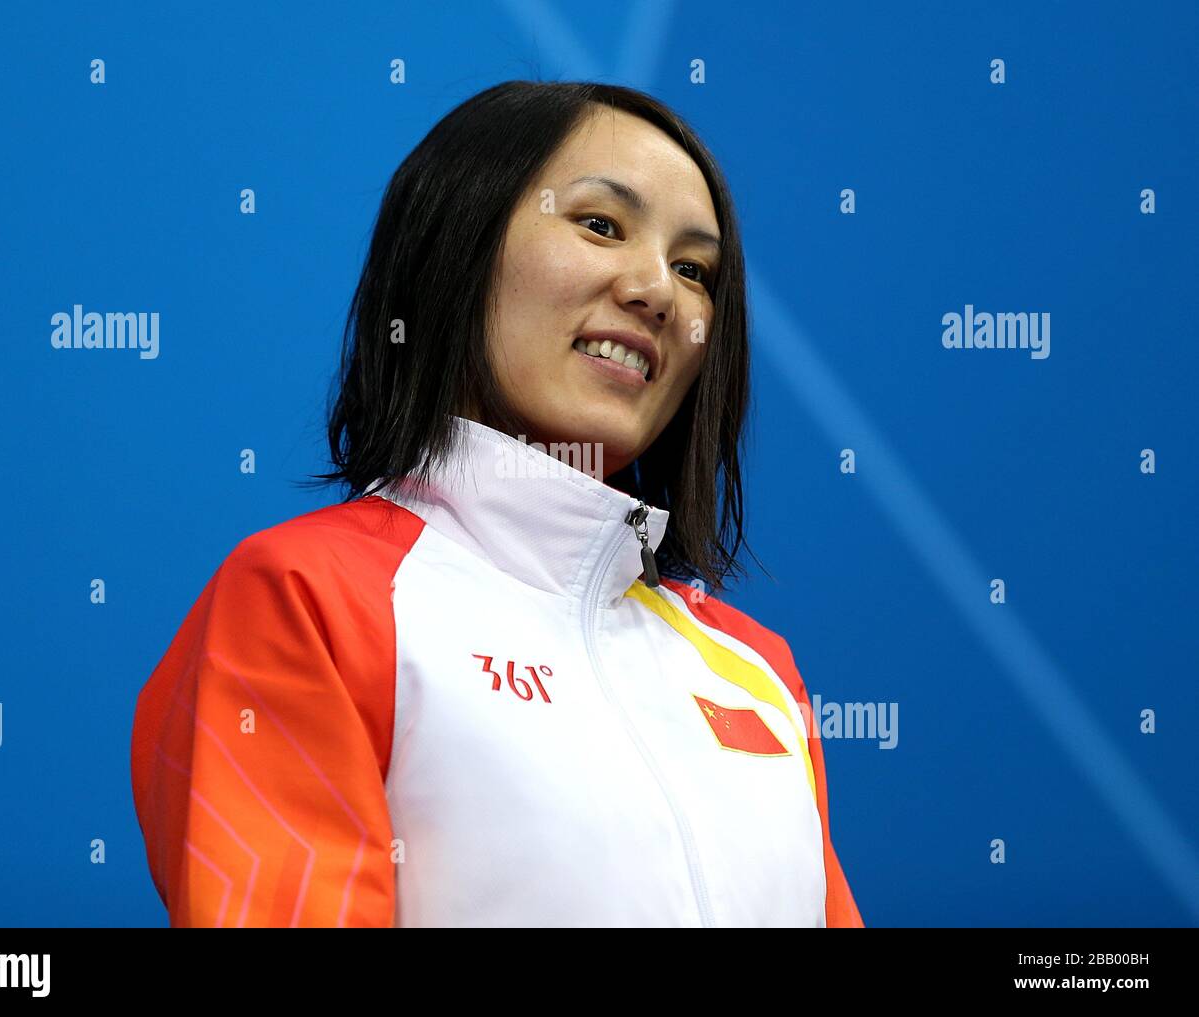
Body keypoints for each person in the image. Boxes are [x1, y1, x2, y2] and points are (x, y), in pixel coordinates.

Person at [129, 80, 864, 928]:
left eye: (694, 269)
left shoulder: (761, 669)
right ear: (455, 247)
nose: (658, 291)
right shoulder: (307, 596)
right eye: (600, 224)